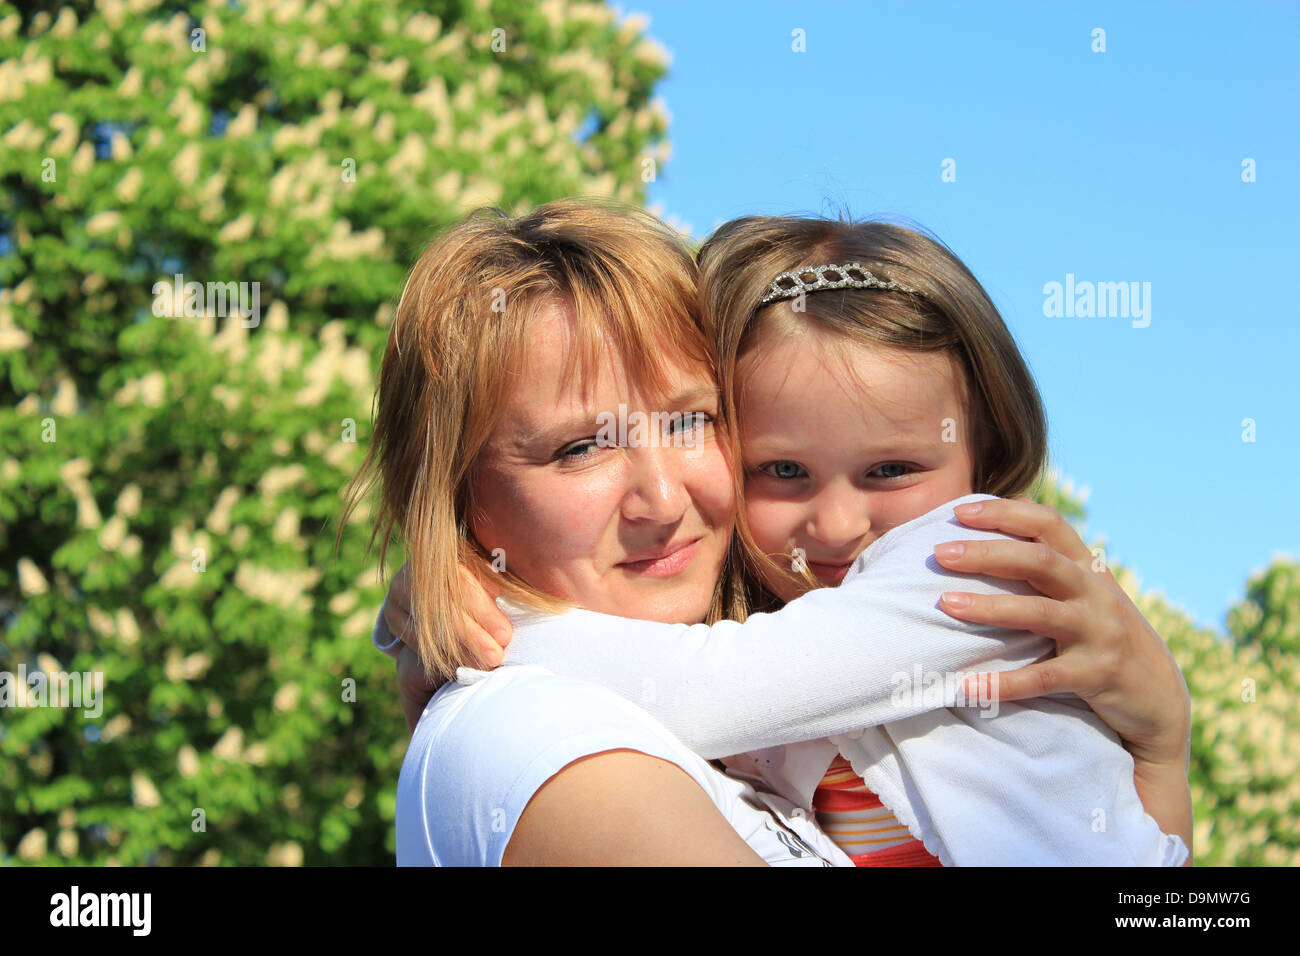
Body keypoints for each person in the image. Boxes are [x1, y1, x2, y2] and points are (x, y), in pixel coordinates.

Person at [353, 199, 1192, 865]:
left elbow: (710, 687)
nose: (660, 498)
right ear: (459, 503)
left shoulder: (962, 561)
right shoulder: (527, 737)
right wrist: (445, 606)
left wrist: (496, 622)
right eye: (579, 449)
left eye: (690, 421)